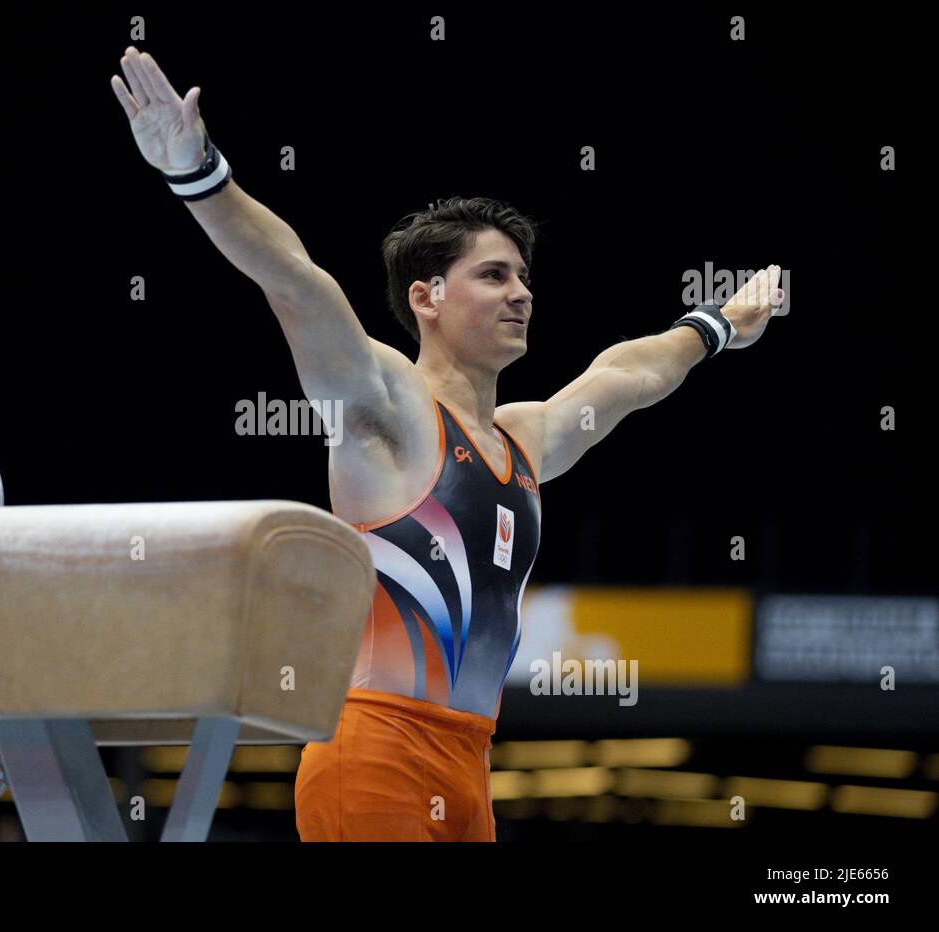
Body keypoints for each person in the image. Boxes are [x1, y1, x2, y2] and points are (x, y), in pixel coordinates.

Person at [110, 47, 784, 841]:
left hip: (469, 766)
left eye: (524, 277)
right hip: (373, 748)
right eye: (495, 276)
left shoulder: (522, 438)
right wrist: (198, 174)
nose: (522, 293)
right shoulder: (385, 406)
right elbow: (294, 277)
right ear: (426, 297)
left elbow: (630, 375)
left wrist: (718, 327)